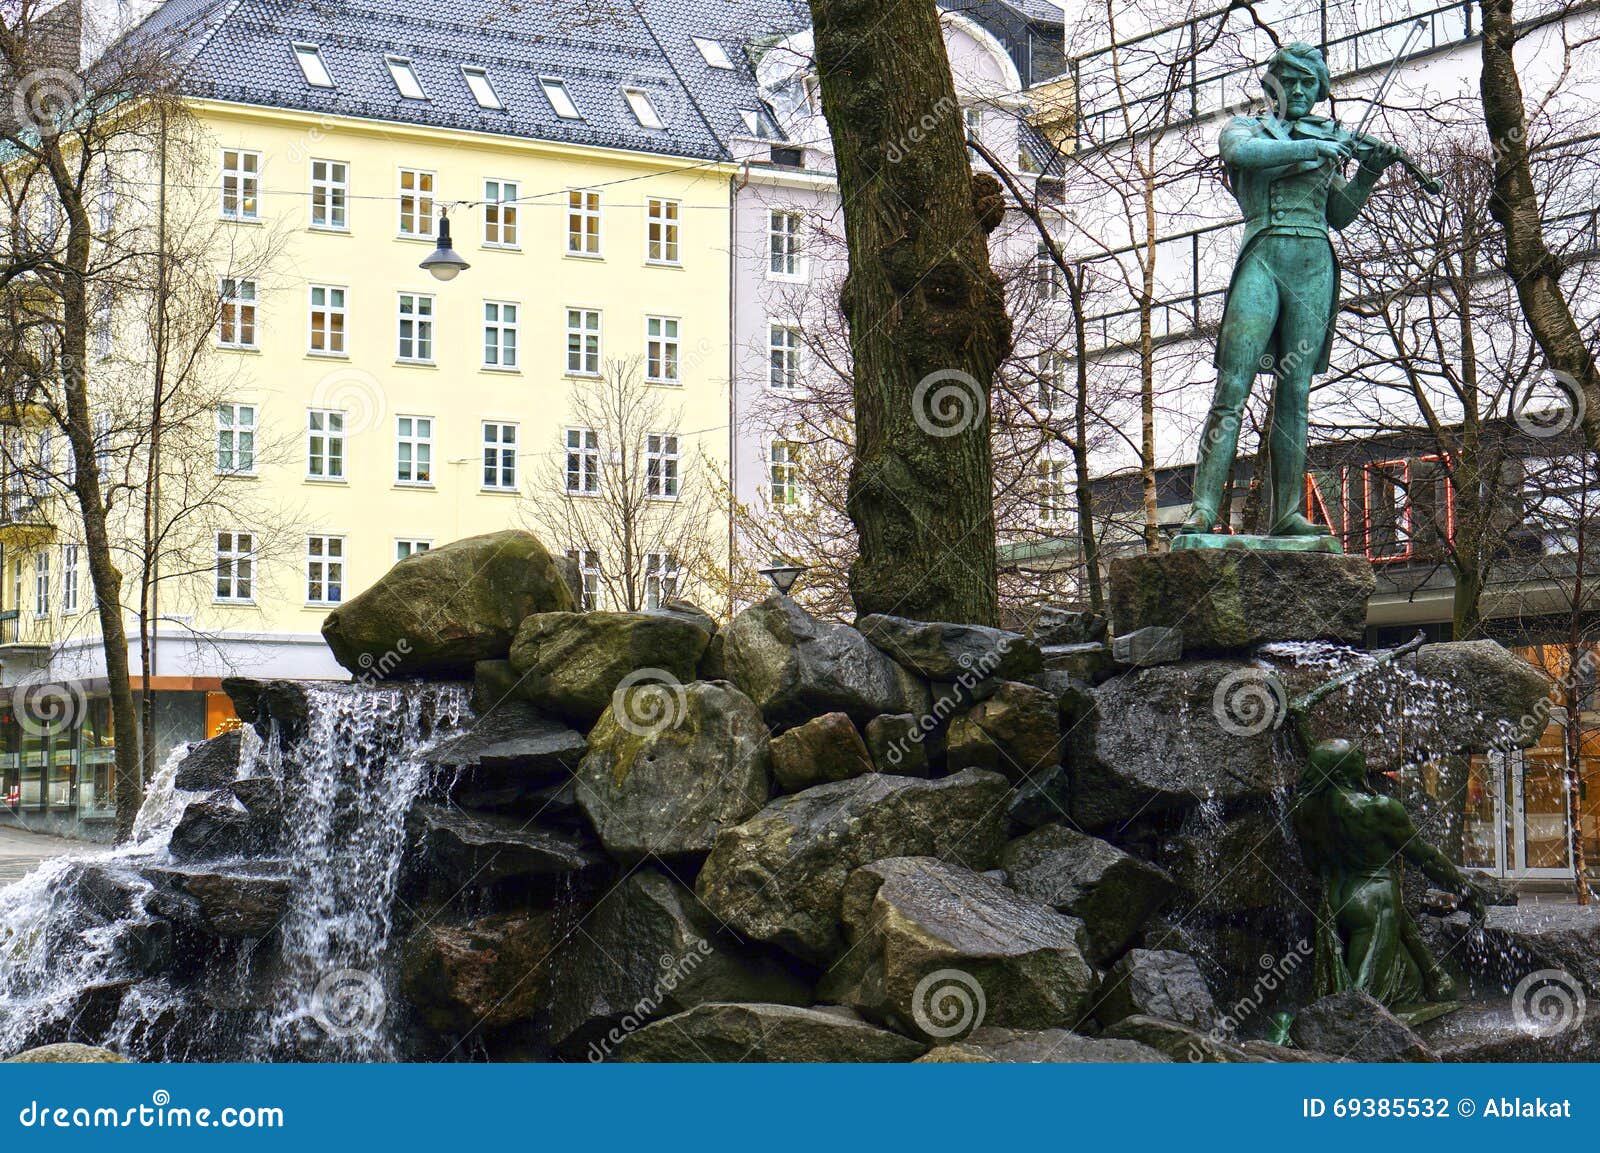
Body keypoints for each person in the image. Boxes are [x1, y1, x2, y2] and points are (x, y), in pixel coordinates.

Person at [1180, 42, 1403, 538]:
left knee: (1295, 391)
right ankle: (1203, 508)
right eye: (1291, 81)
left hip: (1313, 261)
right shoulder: (1247, 128)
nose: (1299, 91)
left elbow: (1339, 215)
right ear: (1274, 86)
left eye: (1309, 83)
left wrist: (1369, 170)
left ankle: (1287, 513)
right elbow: (1240, 154)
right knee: (1233, 385)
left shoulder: (1329, 140)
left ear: (1320, 89)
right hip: (1263, 254)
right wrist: (1313, 149)